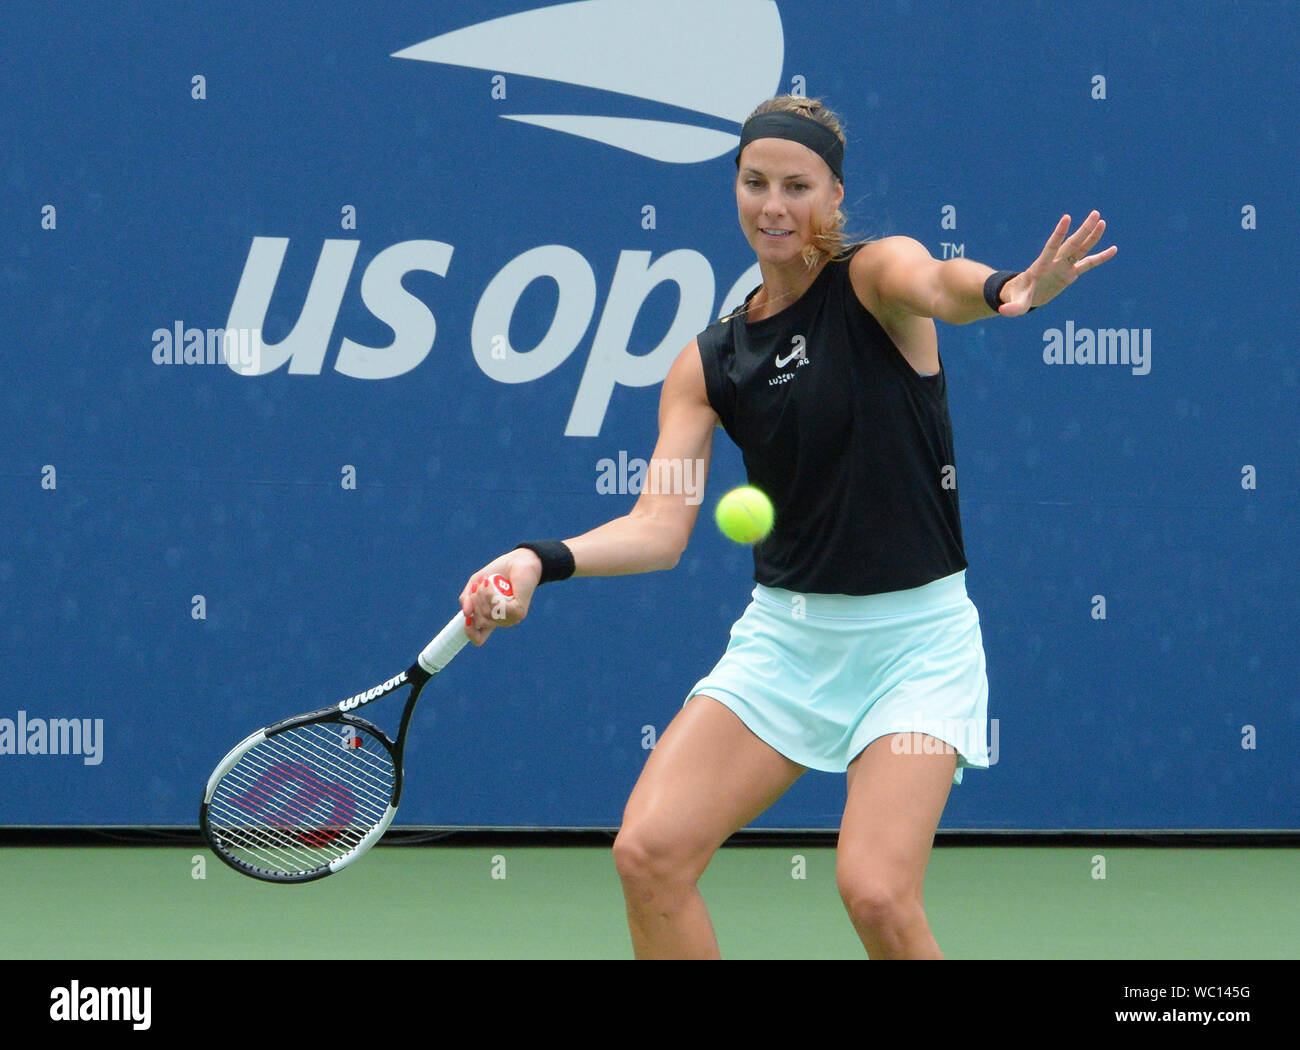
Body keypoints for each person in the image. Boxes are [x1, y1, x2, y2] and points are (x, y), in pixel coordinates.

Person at [457, 95, 1117, 959]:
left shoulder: (876, 278)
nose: (774, 205)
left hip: (916, 646)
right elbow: (659, 527)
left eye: (797, 185)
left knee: (876, 893)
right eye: (756, 182)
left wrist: (1006, 290)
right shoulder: (707, 362)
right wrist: (538, 560)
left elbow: (940, 282)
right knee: (647, 857)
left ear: (835, 196)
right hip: (786, 645)